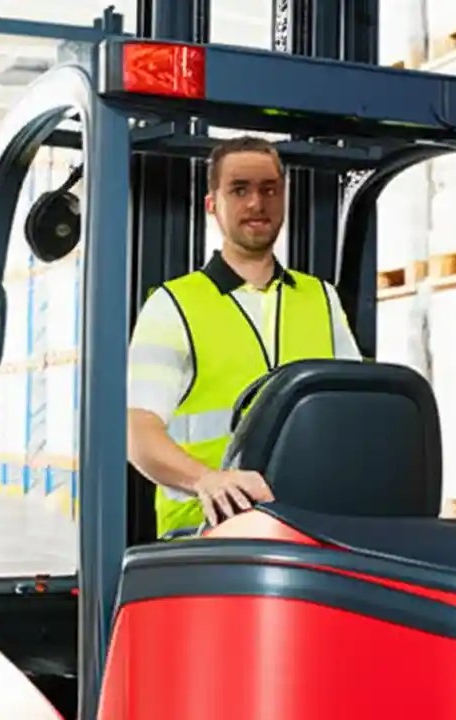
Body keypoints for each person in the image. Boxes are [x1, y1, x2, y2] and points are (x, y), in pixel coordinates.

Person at [126, 135, 362, 536]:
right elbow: (138, 431)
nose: (256, 203)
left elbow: (357, 413)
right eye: (240, 190)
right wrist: (205, 480)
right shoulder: (174, 304)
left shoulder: (321, 298)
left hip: (311, 522)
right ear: (212, 205)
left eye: (269, 190)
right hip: (207, 529)